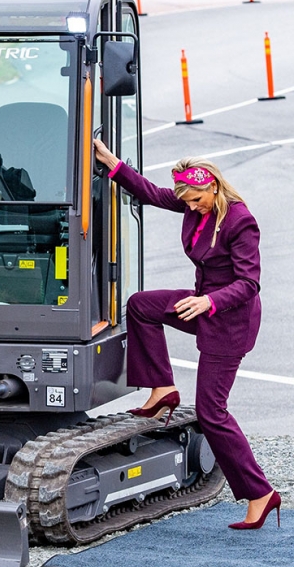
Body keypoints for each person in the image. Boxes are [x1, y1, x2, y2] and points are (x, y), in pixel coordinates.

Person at [93, 139, 280, 531]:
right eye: (187, 202)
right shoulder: (193, 203)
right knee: (141, 305)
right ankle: (163, 388)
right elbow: (151, 193)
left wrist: (209, 302)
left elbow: (249, 283)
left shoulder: (240, 221)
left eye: (196, 200)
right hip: (201, 305)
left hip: (228, 322)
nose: (191, 207)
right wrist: (113, 164)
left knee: (212, 413)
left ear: (213, 185)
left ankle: (261, 494)